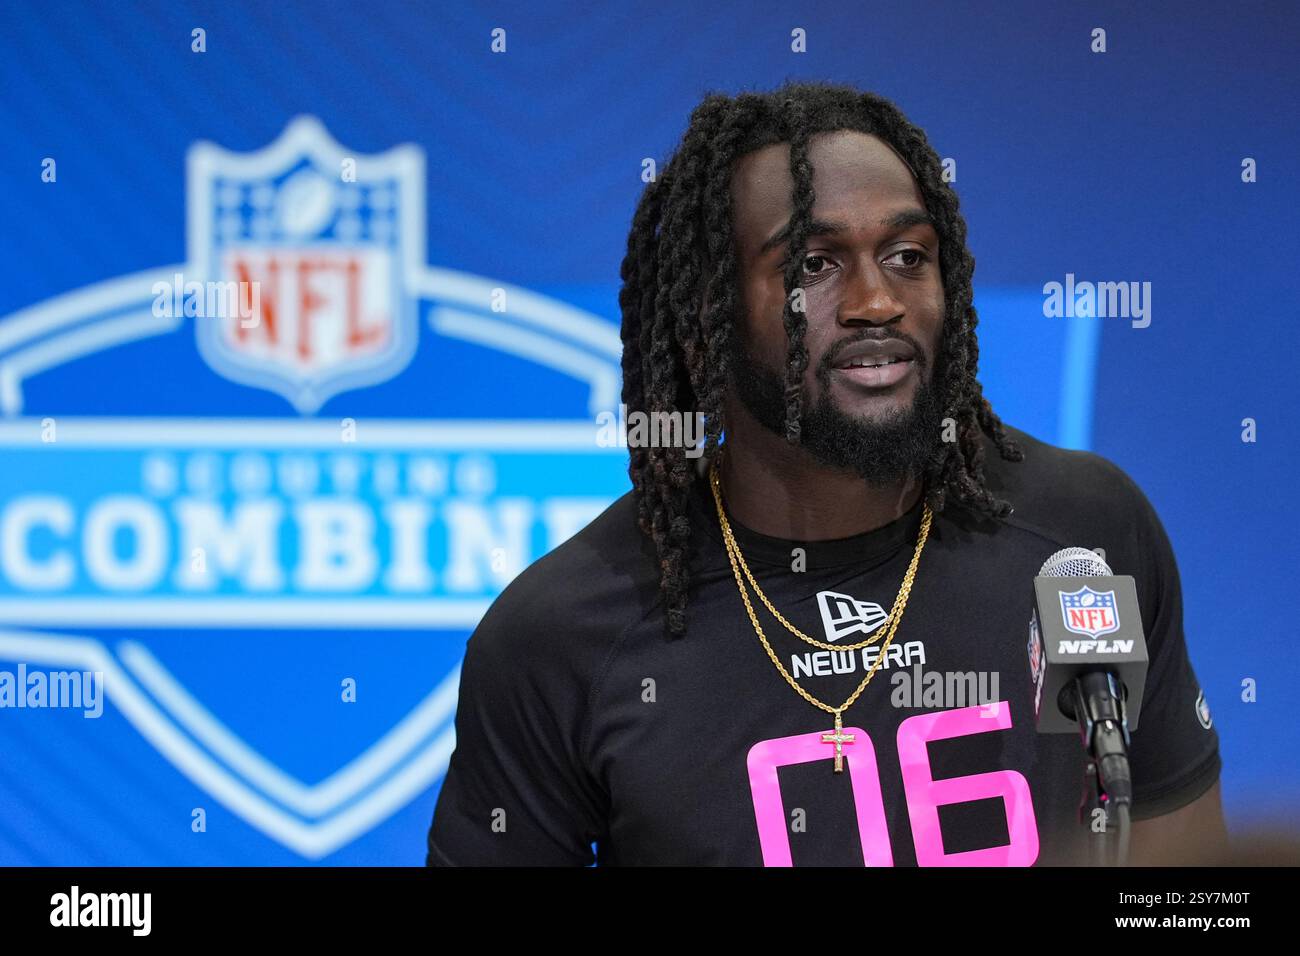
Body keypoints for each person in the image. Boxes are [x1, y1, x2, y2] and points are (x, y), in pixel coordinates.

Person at [426, 80, 1226, 866]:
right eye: (813, 266)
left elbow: (1183, 883)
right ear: (709, 320)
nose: (877, 302)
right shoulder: (564, 637)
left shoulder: (1079, 540)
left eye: (908, 256)